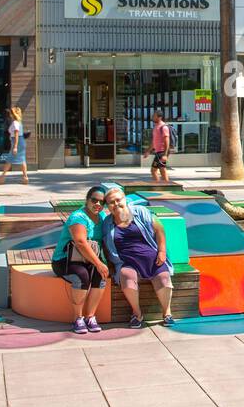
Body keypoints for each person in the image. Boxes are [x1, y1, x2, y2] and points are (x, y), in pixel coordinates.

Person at [101, 186, 175, 328]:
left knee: (164, 279)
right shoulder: (107, 223)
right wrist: (109, 265)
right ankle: (137, 314)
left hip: (152, 258)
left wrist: (162, 251)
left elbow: (159, 229)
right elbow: (105, 244)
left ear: (125, 199)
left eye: (118, 200)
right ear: (108, 206)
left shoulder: (140, 212)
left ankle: (167, 313)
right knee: (126, 277)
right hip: (127, 261)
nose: (116, 204)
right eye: (111, 202)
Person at [51, 186, 111, 334]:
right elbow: (80, 242)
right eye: (94, 200)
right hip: (65, 260)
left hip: (88, 259)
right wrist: (98, 263)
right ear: (87, 200)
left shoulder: (102, 216)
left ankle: (90, 317)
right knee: (82, 276)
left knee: (101, 274)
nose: (97, 204)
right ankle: (77, 318)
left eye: (101, 202)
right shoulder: (78, 217)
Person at [0, 106, 29, 185]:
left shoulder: (15, 123)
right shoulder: (18, 122)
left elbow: (16, 134)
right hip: (20, 142)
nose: (9, 114)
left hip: (17, 143)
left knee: (9, 159)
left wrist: (15, 146)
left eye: (10, 113)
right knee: (22, 160)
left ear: (12, 114)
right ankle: (25, 177)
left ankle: (2, 176)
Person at [149, 110, 173, 184]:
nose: (152, 117)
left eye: (154, 116)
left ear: (159, 117)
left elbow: (167, 140)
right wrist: (148, 151)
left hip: (162, 152)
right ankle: (160, 185)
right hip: (158, 152)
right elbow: (154, 141)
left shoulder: (164, 127)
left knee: (161, 169)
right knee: (155, 170)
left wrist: (165, 154)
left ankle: (166, 186)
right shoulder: (156, 127)